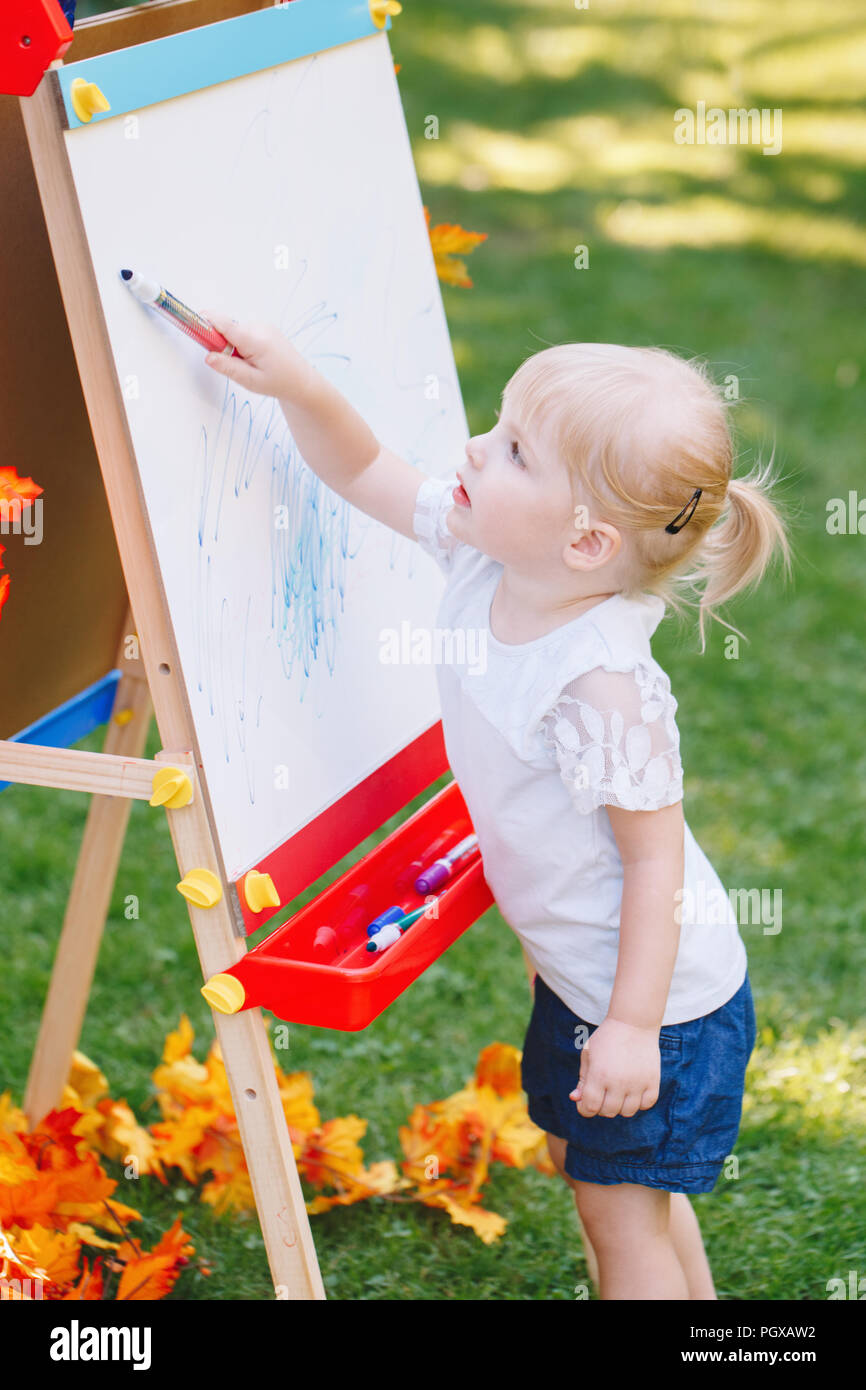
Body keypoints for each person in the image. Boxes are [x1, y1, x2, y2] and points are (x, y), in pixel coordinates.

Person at [203, 322, 793, 1299]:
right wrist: (301, 387)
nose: (476, 445)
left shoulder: (600, 683)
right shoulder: (487, 554)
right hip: (581, 981)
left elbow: (653, 867)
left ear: (586, 541)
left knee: (618, 1221)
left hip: (657, 1005)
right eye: (497, 427)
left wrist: (631, 1028)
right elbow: (366, 471)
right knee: (605, 1183)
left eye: (514, 449)